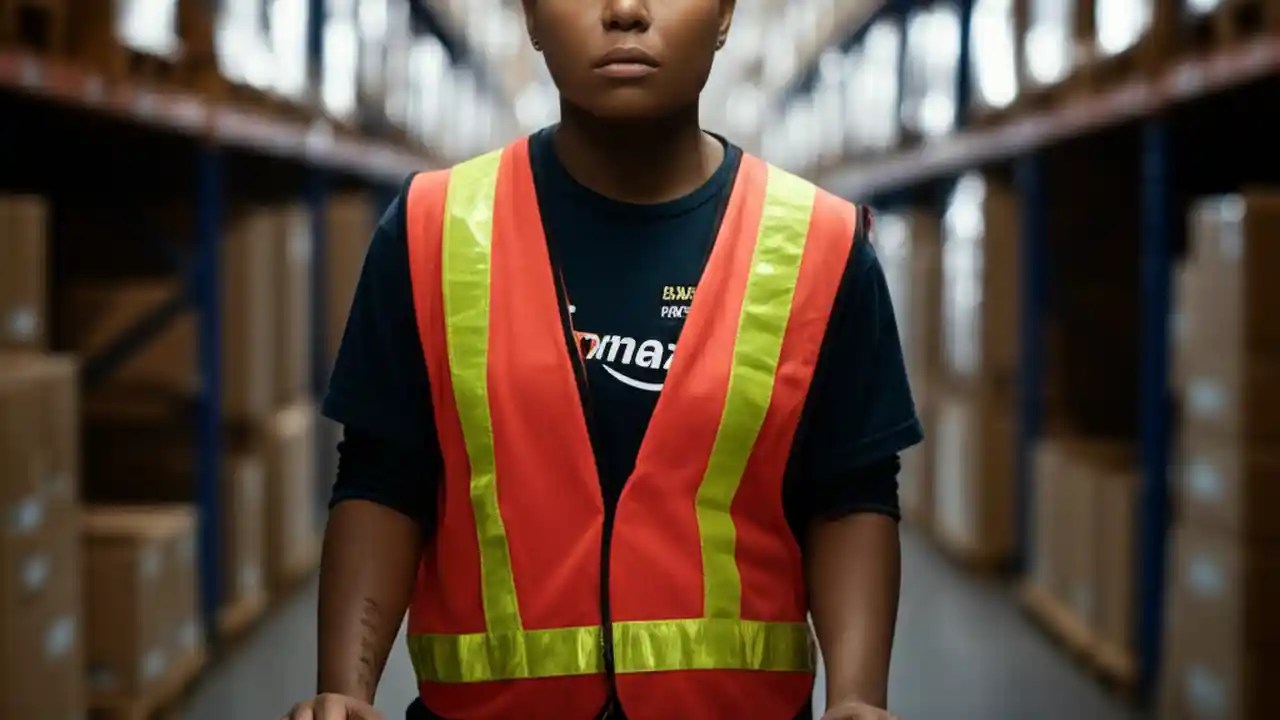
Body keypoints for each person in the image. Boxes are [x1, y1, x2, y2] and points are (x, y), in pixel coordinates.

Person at [285, 0, 921, 718]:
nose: (625, 10)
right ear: (529, 15)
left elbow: (852, 492)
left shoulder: (822, 247)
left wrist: (859, 699)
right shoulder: (430, 231)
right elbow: (383, 473)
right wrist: (345, 689)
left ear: (725, 15)